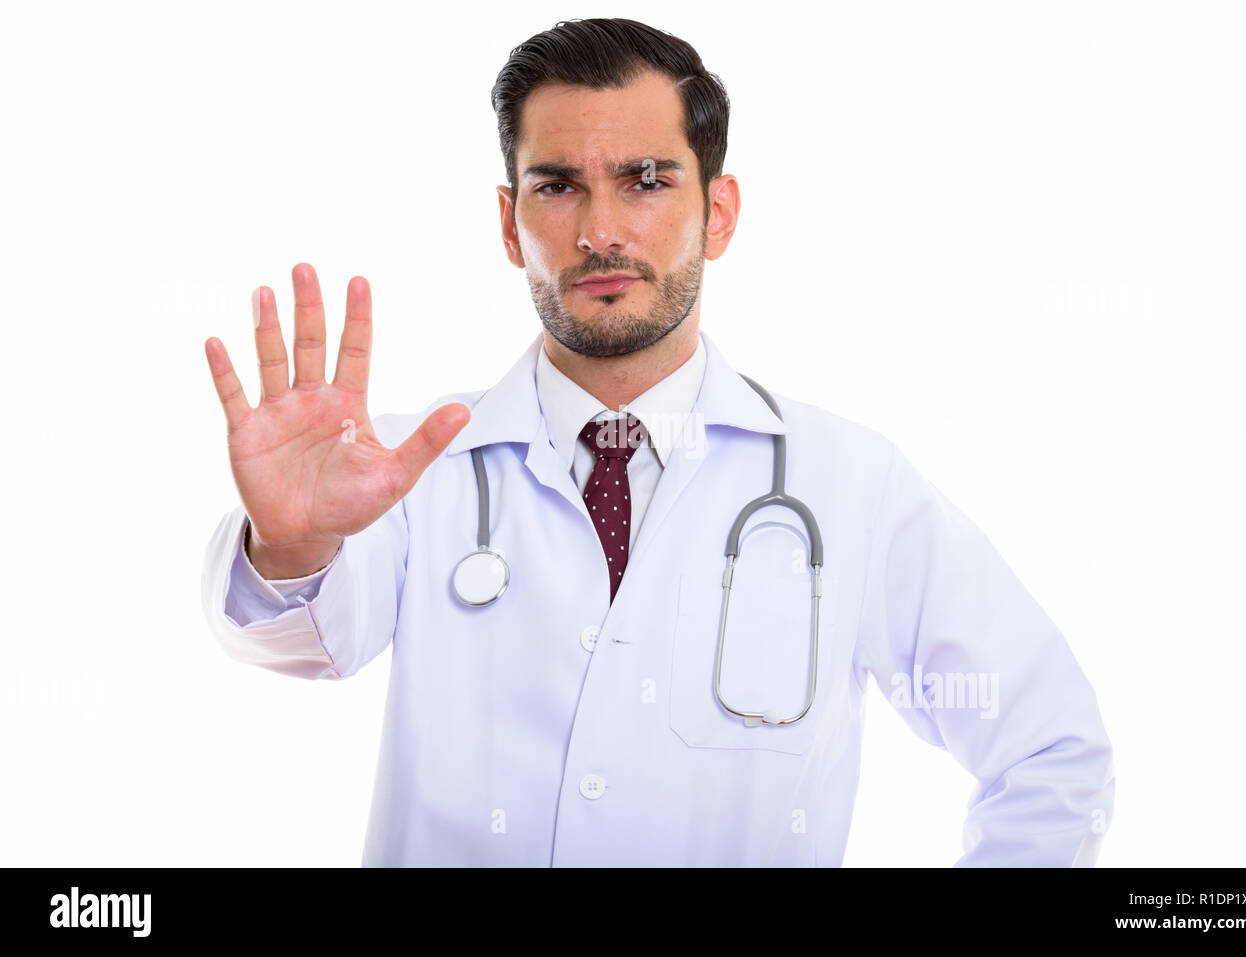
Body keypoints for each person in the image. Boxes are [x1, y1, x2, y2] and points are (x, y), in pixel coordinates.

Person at [200, 18, 1115, 867]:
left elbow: (1049, 749)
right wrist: (294, 542)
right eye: (556, 186)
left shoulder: (850, 486)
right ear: (508, 222)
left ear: (718, 212)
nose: (599, 231)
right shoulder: (405, 471)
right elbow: (301, 644)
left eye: (646, 180)